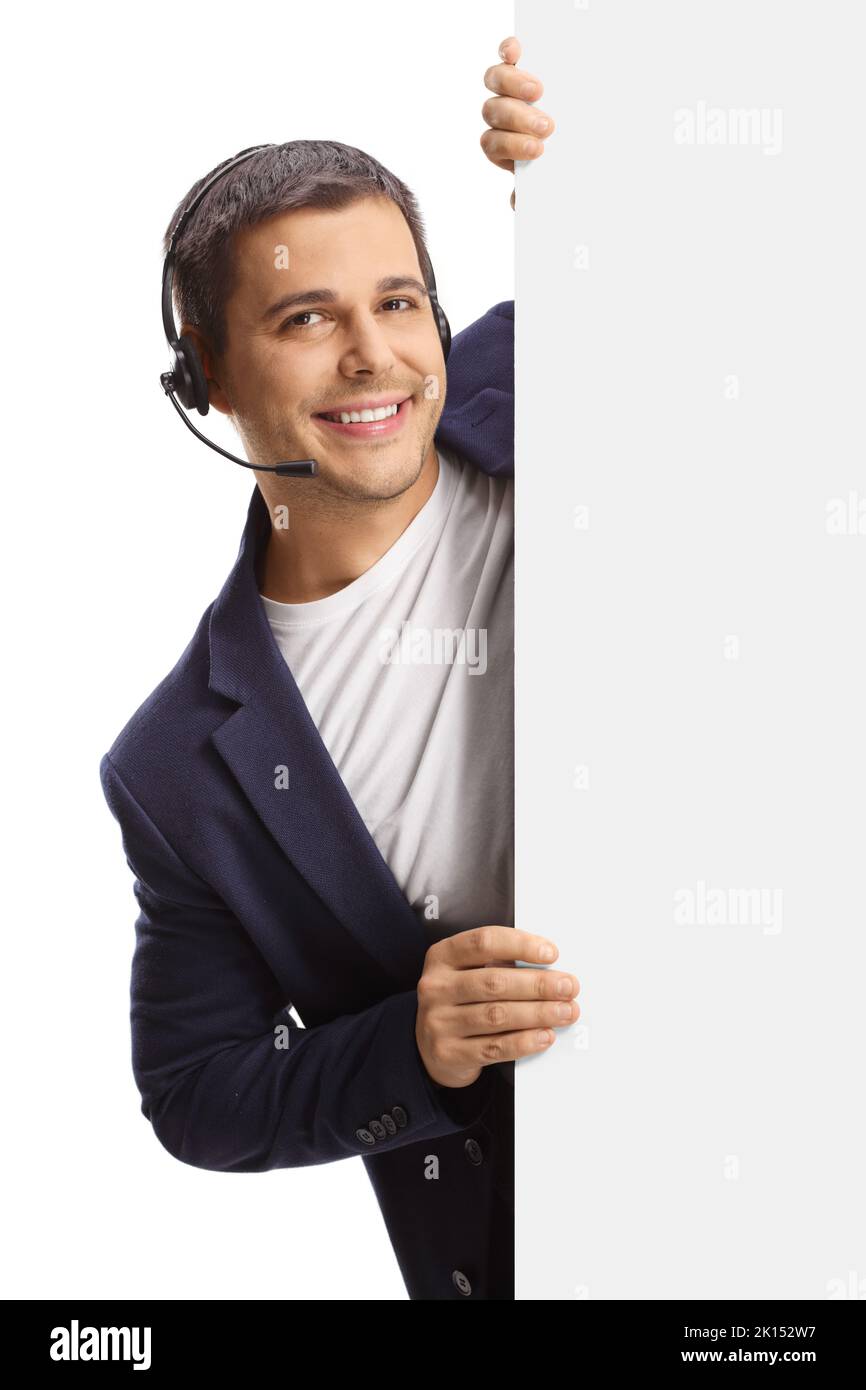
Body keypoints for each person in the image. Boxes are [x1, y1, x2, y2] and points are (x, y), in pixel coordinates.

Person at [99, 37, 574, 1302]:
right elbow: (200, 1092)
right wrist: (411, 1049)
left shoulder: (564, 374)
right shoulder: (172, 768)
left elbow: (771, 311)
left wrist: (606, 192)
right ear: (202, 372)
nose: (373, 357)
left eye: (398, 302)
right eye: (306, 319)